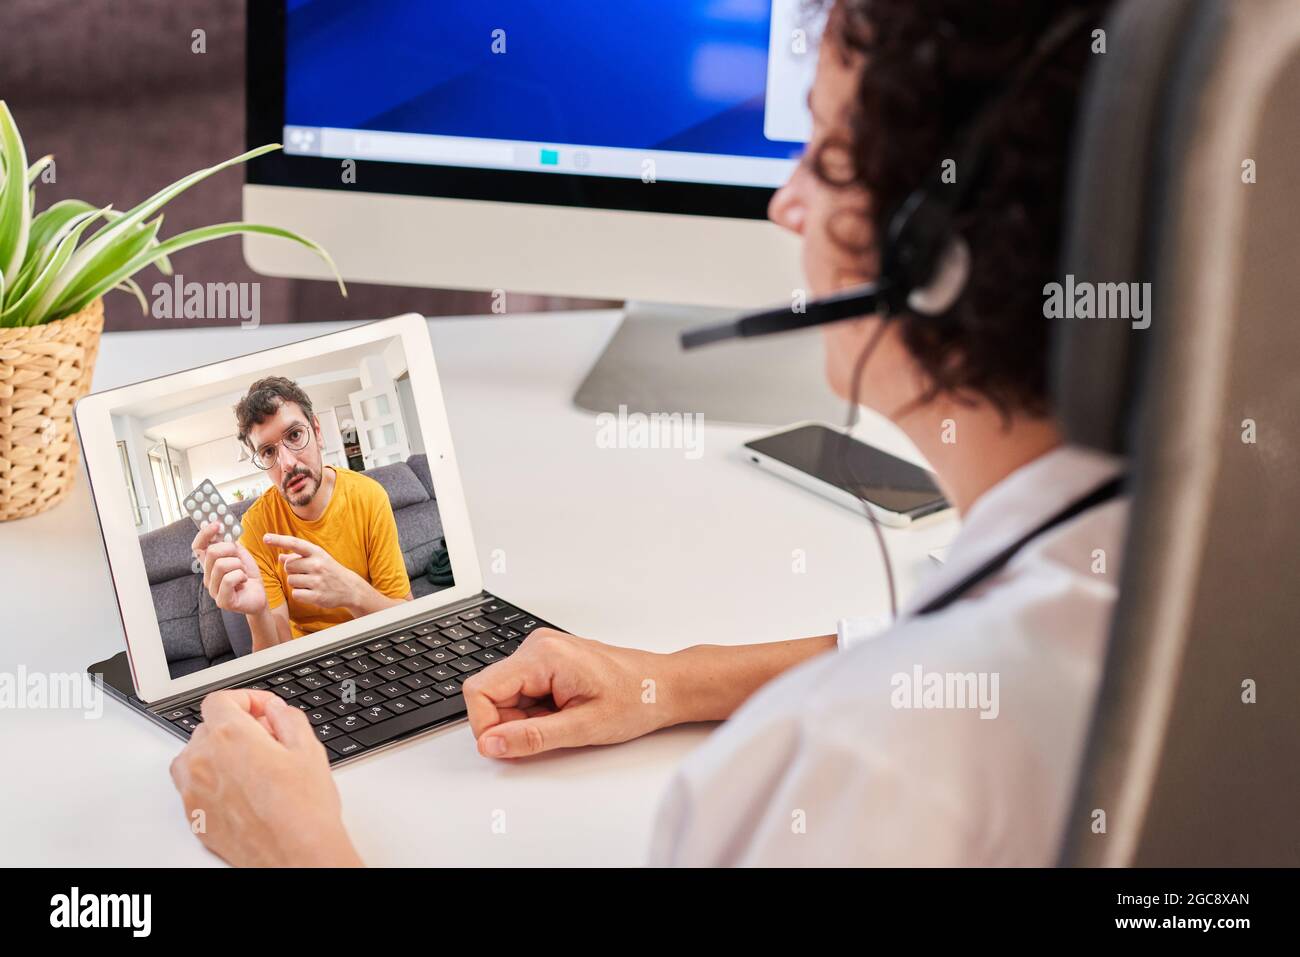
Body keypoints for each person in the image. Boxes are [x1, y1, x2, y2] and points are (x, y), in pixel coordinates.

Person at [169, 0, 1124, 866]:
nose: (786, 201)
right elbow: (931, 636)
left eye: (827, 151)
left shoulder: (849, 771)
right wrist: (667, 680)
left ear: (937, 257)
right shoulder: (1155, 557)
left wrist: (296, 849)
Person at [192, 376, 412, 653]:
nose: (287, 463)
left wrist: (352, 592)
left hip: (376, 643)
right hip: (309, 663)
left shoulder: (369, 496)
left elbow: (406, 617)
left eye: (294, 435)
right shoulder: (257, 527)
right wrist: (258, 613)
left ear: (317, 431)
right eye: (268, 451)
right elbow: (276, 655)